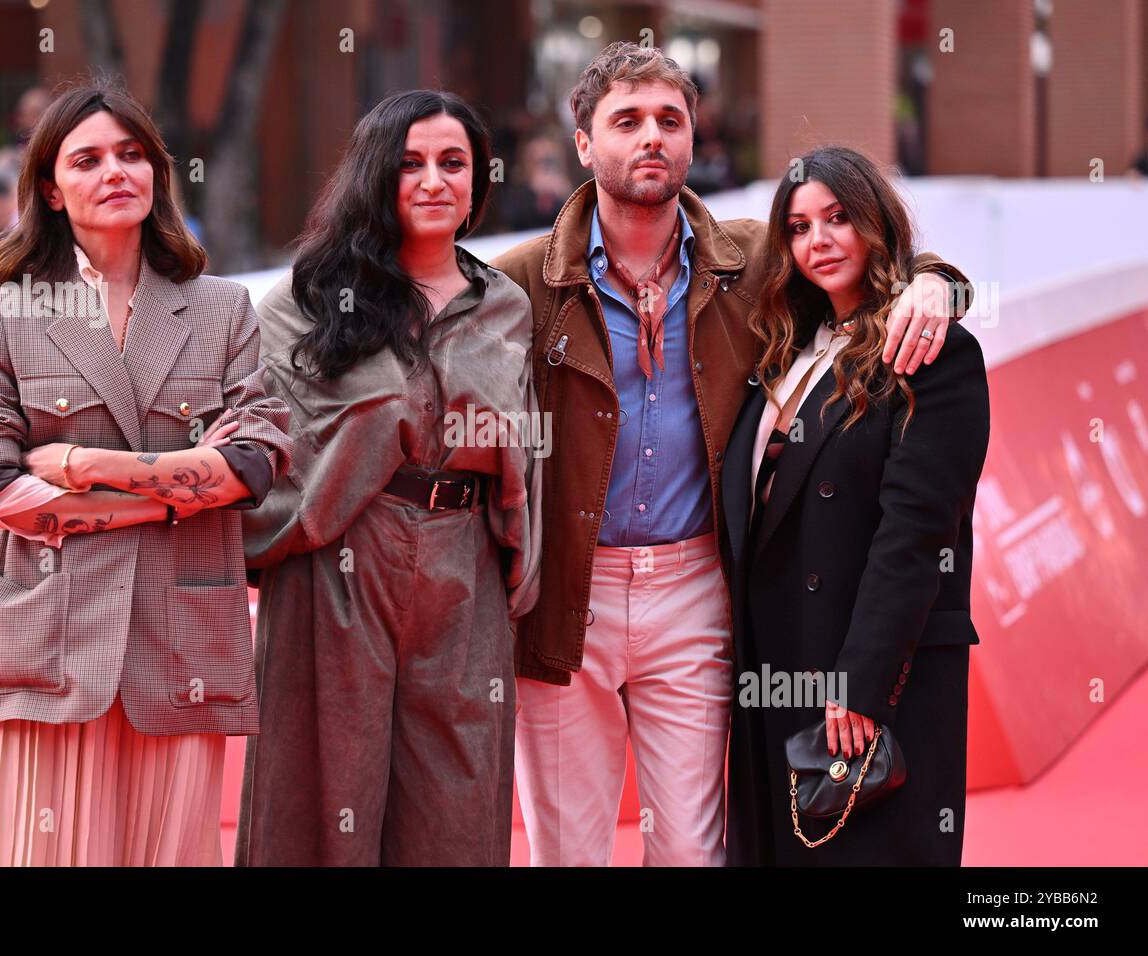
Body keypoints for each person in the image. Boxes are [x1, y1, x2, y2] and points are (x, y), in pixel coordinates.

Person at [491, 41, 973, 867]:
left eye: (670, 121)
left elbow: (859, 251)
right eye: (628, 121)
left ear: (691, 137)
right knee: (565, 851)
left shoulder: (752, 261)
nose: (652, 137)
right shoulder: (521, 281)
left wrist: (939, 282)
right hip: (568, 591)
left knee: (695, 850)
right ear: (583, 144)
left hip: (696, 590)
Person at [0, 82, 292, 866]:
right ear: (49, 188)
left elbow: (256, 463)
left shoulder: (224, 309)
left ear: (158, 174)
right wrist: (176, 493)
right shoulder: (4, 313)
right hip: (51, 636)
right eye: (88, 159)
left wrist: (84, 465)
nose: (115, 172)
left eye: (132, 155)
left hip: (182, 639)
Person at [235, 89, 541, 866]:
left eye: (453, 164)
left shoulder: (504, 305)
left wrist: (515, 558)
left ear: (478, 181)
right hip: (337, 561)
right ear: (377, 176)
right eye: (410, 165)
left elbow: (524, 448)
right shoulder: (306, 300)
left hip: (464, 568)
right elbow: (257, 439)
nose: (434, 181)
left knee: (458, 801)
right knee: (320, 795)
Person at [721, 146, 990, 866]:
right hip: (772, 672)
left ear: (876, 222)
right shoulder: (782, 351)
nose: (820, 241)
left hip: (869, 672)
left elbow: (916, 533)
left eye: (839, 218)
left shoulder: (933, 352)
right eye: (801, 227)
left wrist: (862, 683)